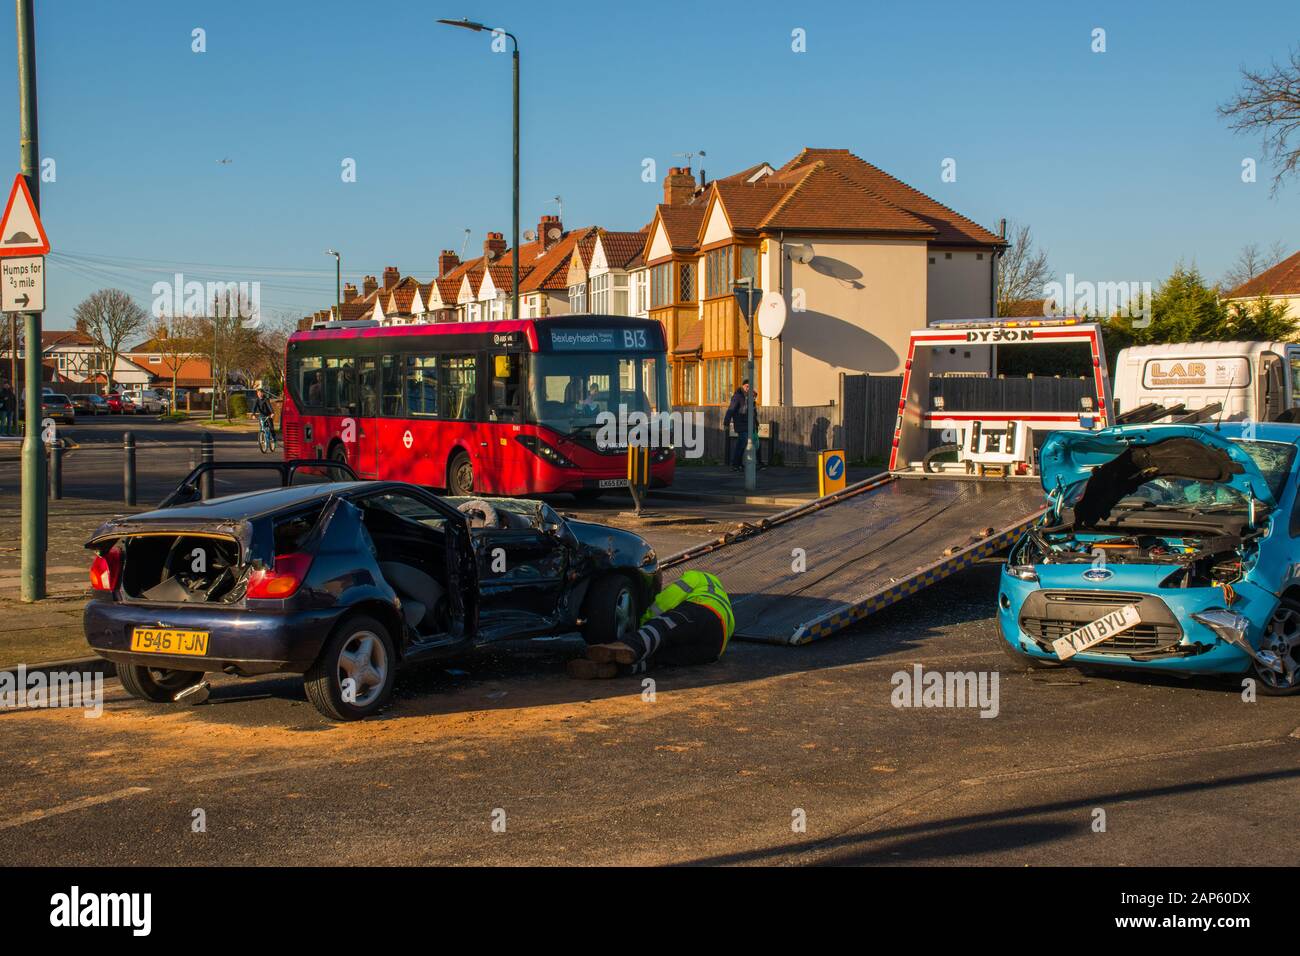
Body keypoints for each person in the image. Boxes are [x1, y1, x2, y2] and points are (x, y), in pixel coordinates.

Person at [567, 570, 735, 679]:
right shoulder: (722, 597)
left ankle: (627, 645)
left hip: (702, 612)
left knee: (663, 627)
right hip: (714, 649)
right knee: (658, 657)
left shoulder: (698, 577)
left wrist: (645, 622)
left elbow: (665, 601)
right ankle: (612, 669)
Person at [722, 380, 753, 471]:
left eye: (749, 387)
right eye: (747, 386)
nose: (748, 388)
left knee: (742, 444)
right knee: (742, 444)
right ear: (743, 386)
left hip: (746, 424)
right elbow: (731, 409)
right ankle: (736, 464)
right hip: (740, 423)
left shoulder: (746, 397)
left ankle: (737, 464)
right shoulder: (738, 396)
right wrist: (726, 422)